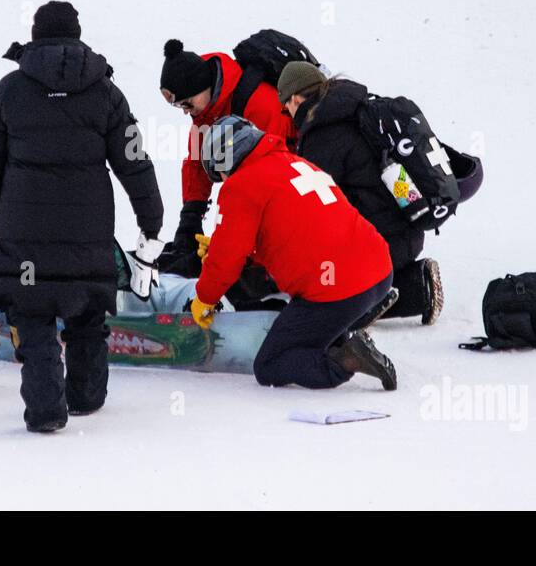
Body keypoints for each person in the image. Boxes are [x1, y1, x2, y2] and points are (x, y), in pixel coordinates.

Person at [0, 1, 165, 433]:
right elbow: (134, 161)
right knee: (87, 309)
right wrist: (151, 223)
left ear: (35, 36)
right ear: (77, 36)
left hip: (24, 227)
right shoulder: (107, 94)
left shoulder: (9, 90)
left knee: (32, 310)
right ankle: (86, 396)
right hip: (88, 228)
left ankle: (44, 409)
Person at [189, 116, 399, 390]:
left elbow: (227, 260)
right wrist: (227, 249)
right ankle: (343, 333)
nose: (223, 181)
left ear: (227, 159)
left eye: (220, 173)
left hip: (339, 290)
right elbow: (292, 233)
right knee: (314, 324)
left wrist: (205, 297)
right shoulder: (296, 163)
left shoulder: (241, 185)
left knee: (270, 364)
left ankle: (347, 359)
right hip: (380, 271)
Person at [276, 62, 446, 324]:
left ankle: (397, 294)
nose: (287, 115)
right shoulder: (354, 110)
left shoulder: (324, 135)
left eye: (286, 107)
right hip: (406, 231)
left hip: (381, 246)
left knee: (327, 306)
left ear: (296, 98)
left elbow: (310, 207)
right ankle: (416, 282)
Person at [158, 37, 297, 276]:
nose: (185, 112)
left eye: (187, 104)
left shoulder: (260, 104)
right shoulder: (205, 111)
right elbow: (197, 163)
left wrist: (243, 245)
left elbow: (275, 174)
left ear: (201, 87)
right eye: (180, 106)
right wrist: (191, 215)